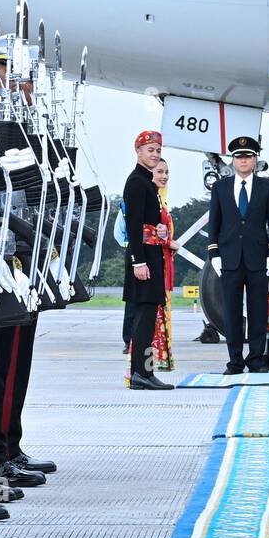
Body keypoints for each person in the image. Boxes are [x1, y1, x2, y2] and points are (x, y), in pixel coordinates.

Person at [207, 136, 269, 375]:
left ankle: (257, 359)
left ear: (255, 160)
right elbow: (214, 222)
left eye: (248, 156)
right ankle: (235, 361)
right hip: (229, 258)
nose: (243, 160)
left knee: (259, 310)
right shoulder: (220, 187)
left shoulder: (268, 187)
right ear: (233, 160)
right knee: (231, 311)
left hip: (258, 257)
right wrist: (214, 254)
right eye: (239, 157)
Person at [122, 130, 173, 391]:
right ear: (138, 152)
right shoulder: (136, 182)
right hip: (143, 259)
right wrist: (137, 262)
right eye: (150, 150)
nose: (154, 155)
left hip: (151, 256)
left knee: (149, 319)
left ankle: (145, 372)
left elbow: (146, 222)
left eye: (157, 150)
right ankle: (140, 373)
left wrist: (160, 230)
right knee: (143, 319)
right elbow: (132, 226)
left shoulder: (148, 183)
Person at [150, 156, 180, 373]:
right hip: (154, 265)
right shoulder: (151, 200)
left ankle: (155, 364)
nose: (164, 176)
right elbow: (145, 232)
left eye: (166, 172)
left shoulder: (162, 200)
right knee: (152, 320)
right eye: (159, 171)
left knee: (161, 316)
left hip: (165, 264)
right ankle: (145, 366)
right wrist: (169, 242)